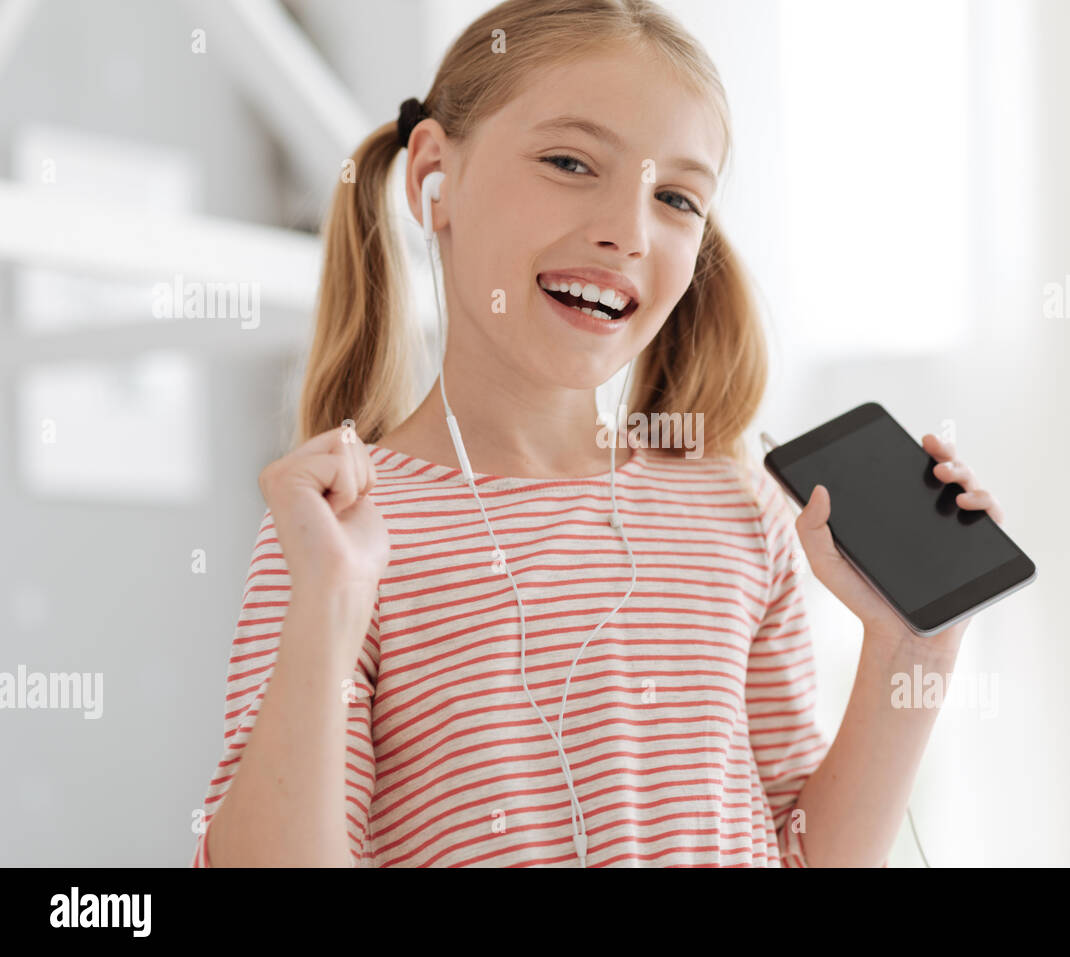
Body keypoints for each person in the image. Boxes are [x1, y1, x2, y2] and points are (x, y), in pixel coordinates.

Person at [191, 0, 1005, 868]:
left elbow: (806, 855)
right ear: (434, 176)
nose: (628, 230)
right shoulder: (339, 535)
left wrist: (911, 650)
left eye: (677, 198)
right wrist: (329, 607)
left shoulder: (739, 510)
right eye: (571, 161)